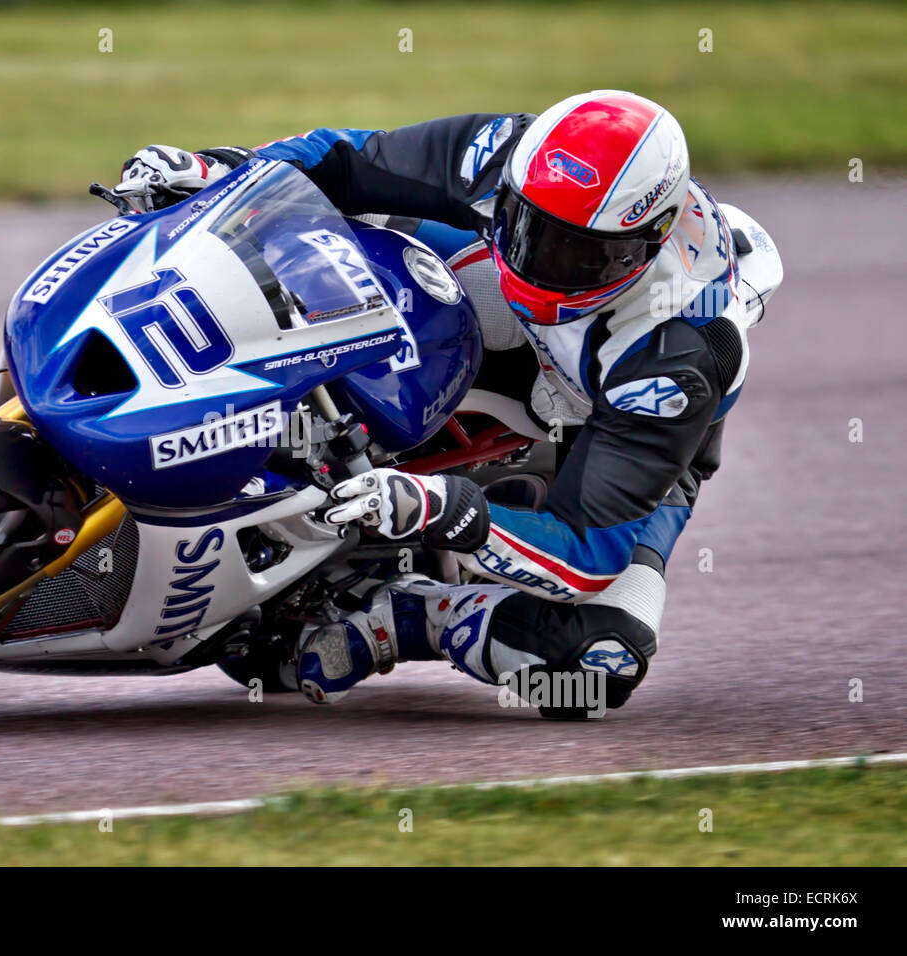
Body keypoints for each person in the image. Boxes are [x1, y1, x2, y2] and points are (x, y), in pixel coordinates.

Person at [112, 90, 781, 717]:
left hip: (611, 423)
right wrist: (222, 174)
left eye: (578, 254)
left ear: (645, 244)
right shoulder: (509, 155)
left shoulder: (675, 357)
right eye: (527, 226)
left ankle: (404, 617)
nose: (539, 261)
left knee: (596, 667)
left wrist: (441, 511)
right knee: (354, 237)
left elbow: (584, 554)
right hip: (505, 317)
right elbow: (346, 158)